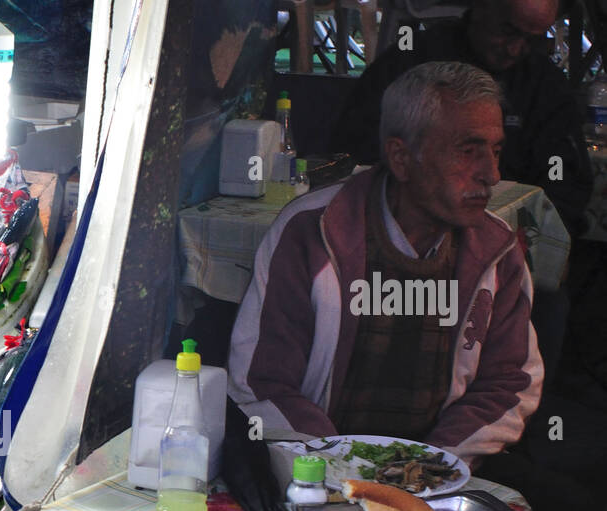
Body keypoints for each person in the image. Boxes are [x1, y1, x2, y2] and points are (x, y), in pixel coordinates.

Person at [230, 61, 542, 463]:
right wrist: (342, 464)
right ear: (401, 156)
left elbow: (509, 381)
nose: (492, 174)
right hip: (317, 467)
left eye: (496, 150)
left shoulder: (497, 249)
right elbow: (263, 381)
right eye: (468, 151)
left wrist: (433, 465)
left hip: (441, 467)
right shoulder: (312, 231)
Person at [331, 0, 590, 239]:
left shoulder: (545, 85)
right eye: (508, 31)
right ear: (481, 7)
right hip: (406, 236)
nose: (514, 49)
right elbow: (355, 149)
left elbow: (564, 179)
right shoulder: (410, 61)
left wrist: (541, 234)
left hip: (511, 240)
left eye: (532, 40)